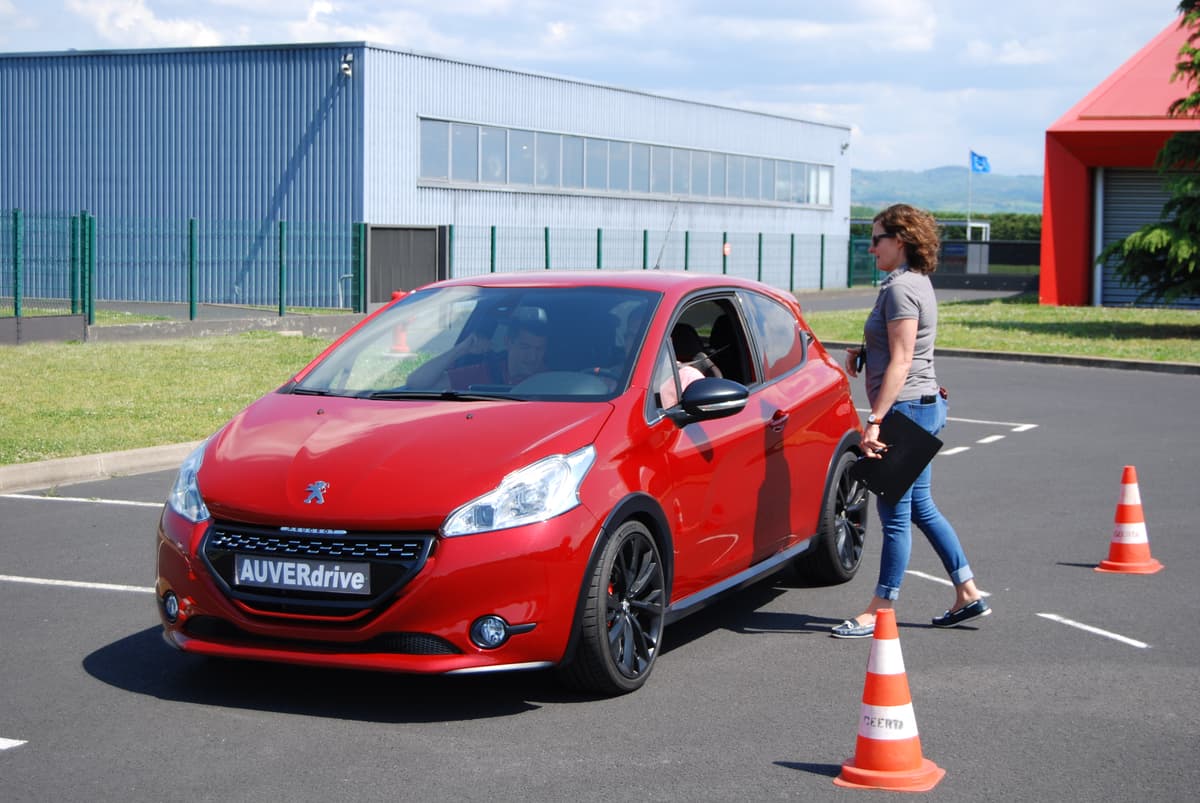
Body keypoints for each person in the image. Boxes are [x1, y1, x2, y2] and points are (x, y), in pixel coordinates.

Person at [831, 203, 990, 639]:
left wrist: (875, 420)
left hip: (906, 411)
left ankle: (880, 609)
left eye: (876, 239)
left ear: (899, 240)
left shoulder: (902, 289)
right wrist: (866, 352)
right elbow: (906, 347)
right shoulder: (913, 282)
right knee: (921, 506)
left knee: (895, 514)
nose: (870, 248)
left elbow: (903, 360)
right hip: (921, 405)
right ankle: (967, 591)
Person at [407, 318, 547, 389]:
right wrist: (460, 350)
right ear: (508, 342)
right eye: (525, 347)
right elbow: (416, 383)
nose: (533, 357)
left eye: (539, 349)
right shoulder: (489, 371)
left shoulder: (552, 380)